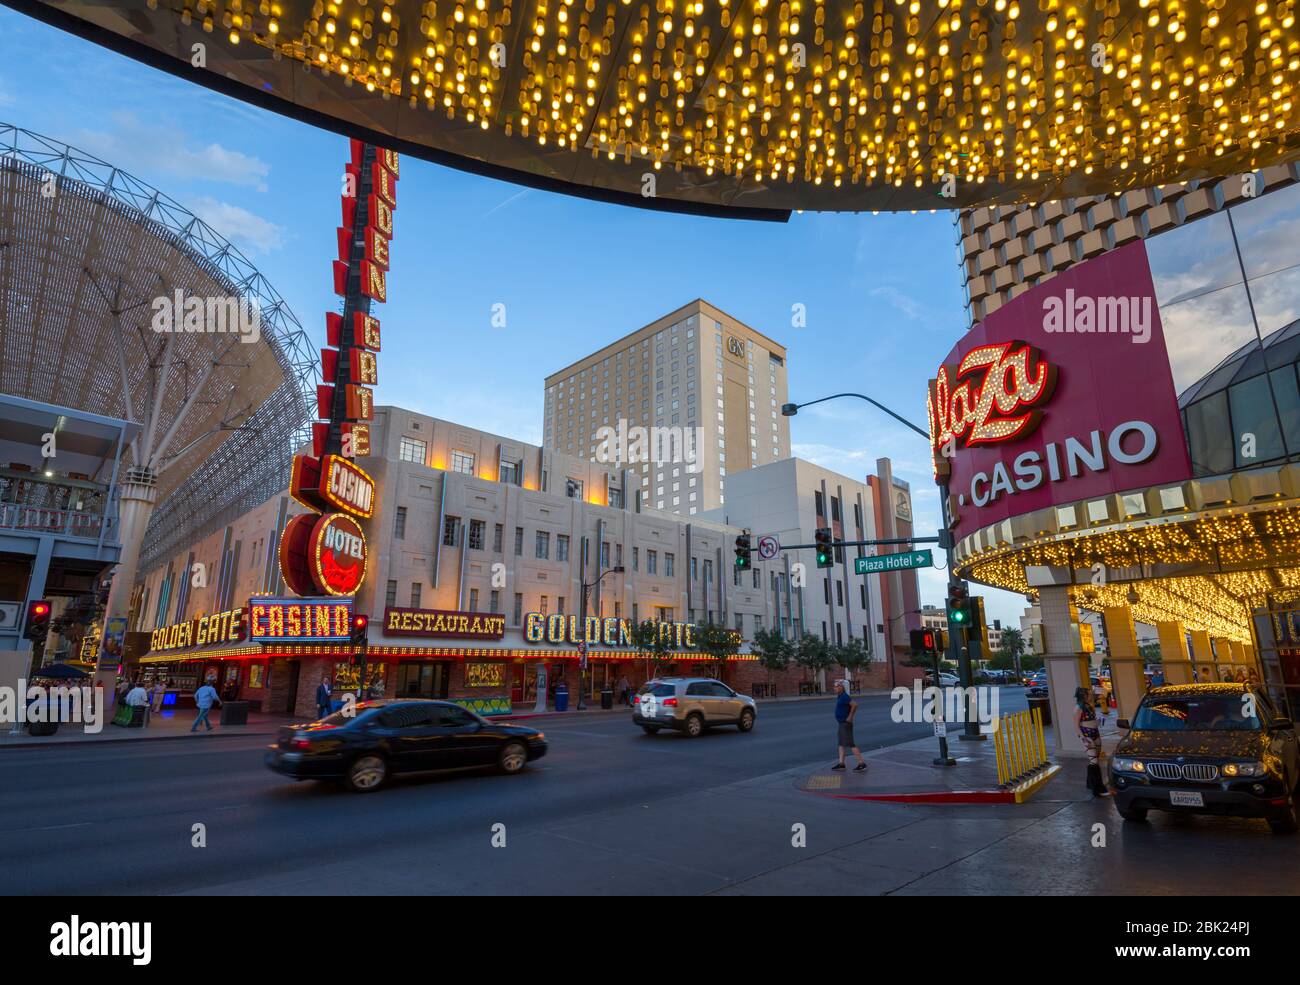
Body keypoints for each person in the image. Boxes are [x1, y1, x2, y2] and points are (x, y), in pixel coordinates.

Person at [1075, 686, 1108, 797]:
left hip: (1095, 733)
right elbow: (1076, 726)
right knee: (1094, 762)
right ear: (1083, 695)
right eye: (1089, 694)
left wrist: (1098, 721)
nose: (1091, 695)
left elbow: (1092, 720)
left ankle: (1091, 784)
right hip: (1087, 735)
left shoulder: (1089, 706)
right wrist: (1083, 738)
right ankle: (1098, 789)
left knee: (1094, 760)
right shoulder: (1078, 708)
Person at [831, 679, 867, 773]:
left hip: (845, 724)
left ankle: (861, 764)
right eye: (834, 686)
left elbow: (854, 705)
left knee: (851, 744)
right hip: (841, 723)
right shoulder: (840, 696)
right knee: (841, 743)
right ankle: (841, 764)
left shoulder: (844, 696)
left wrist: (850, 717)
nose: (835, 688)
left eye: (837, 686)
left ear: (842, 687)